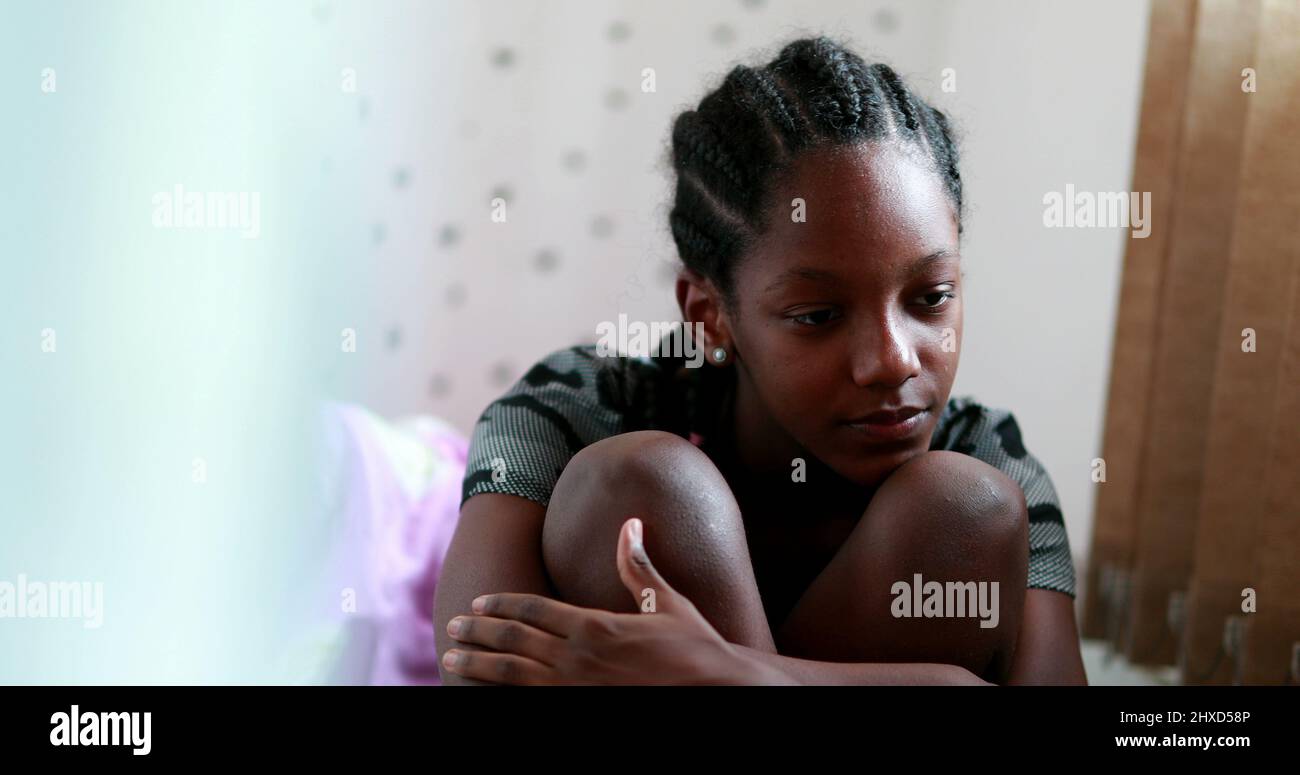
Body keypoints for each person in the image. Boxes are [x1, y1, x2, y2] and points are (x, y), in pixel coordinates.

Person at [434, 35, 1086, 685]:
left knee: (964, 504)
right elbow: (474, 671)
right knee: (635, 479)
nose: (892, 361)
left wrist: (726, 674)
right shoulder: (572, 407)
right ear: (709, 314)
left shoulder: (991, 455)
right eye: (819, 316)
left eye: (931, 297)